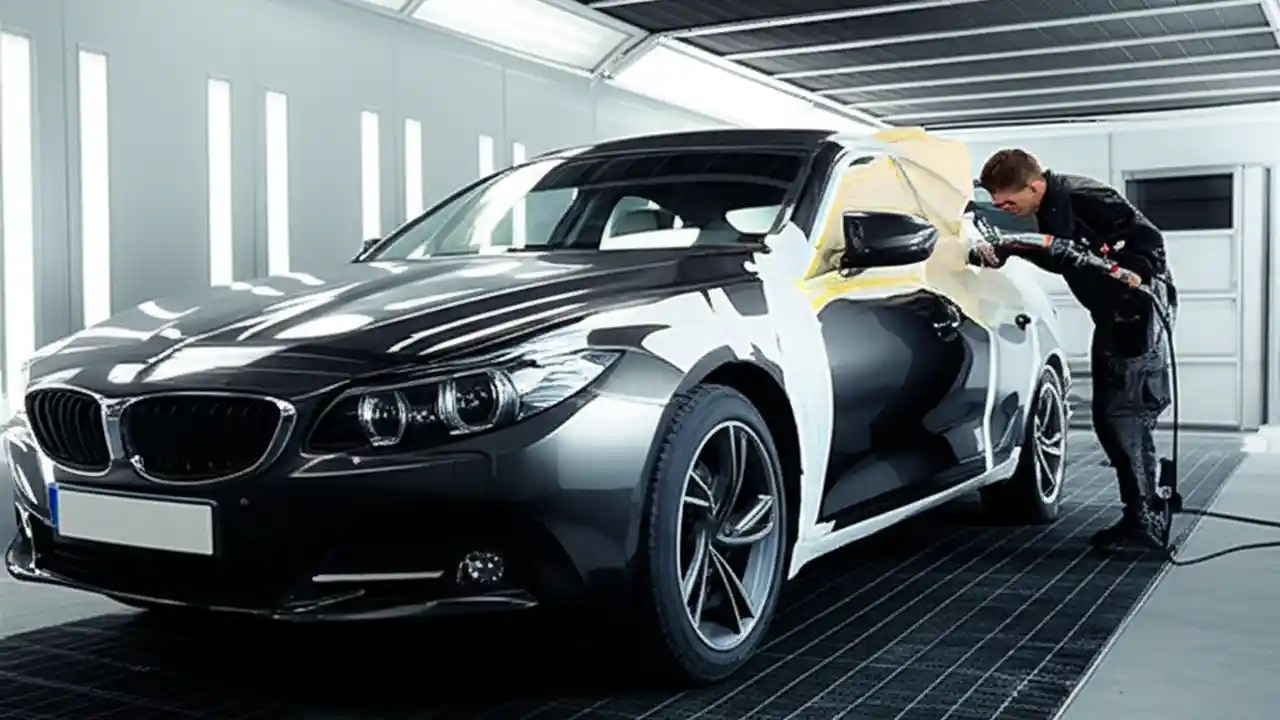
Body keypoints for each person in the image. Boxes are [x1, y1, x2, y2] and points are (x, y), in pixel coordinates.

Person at [971, 149, 1177, 551]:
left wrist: (1136, 271)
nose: (1007, 210)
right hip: (1114, 315)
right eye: (998, 206)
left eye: (1010, 202)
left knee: (1124, 416)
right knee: (1111, 417)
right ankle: (1142, 512)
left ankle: (1146, 523)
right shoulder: (1048, 207)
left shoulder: (1089, 198)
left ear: (1034, 185)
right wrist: (1009, 249)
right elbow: (1065, 255)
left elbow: (1150, 242)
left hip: (1139, 312)